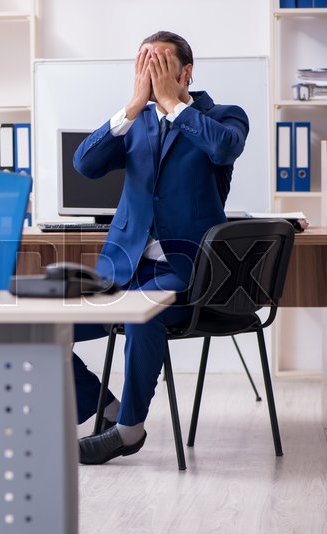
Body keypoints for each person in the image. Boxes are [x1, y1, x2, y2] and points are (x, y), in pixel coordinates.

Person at [72, 31, 249, 464]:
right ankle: (106, 410)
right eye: (143, 66)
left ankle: (129, 431)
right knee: (42, 328)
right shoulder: (137, 123)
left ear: (186, 72)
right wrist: (134, 106)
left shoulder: (223, 117)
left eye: (161, 66)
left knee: (140, 312)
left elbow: (225, 150)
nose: (151, 75)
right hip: (120, 268)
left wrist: (174, 103)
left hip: (183, 271)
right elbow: (84, 164)